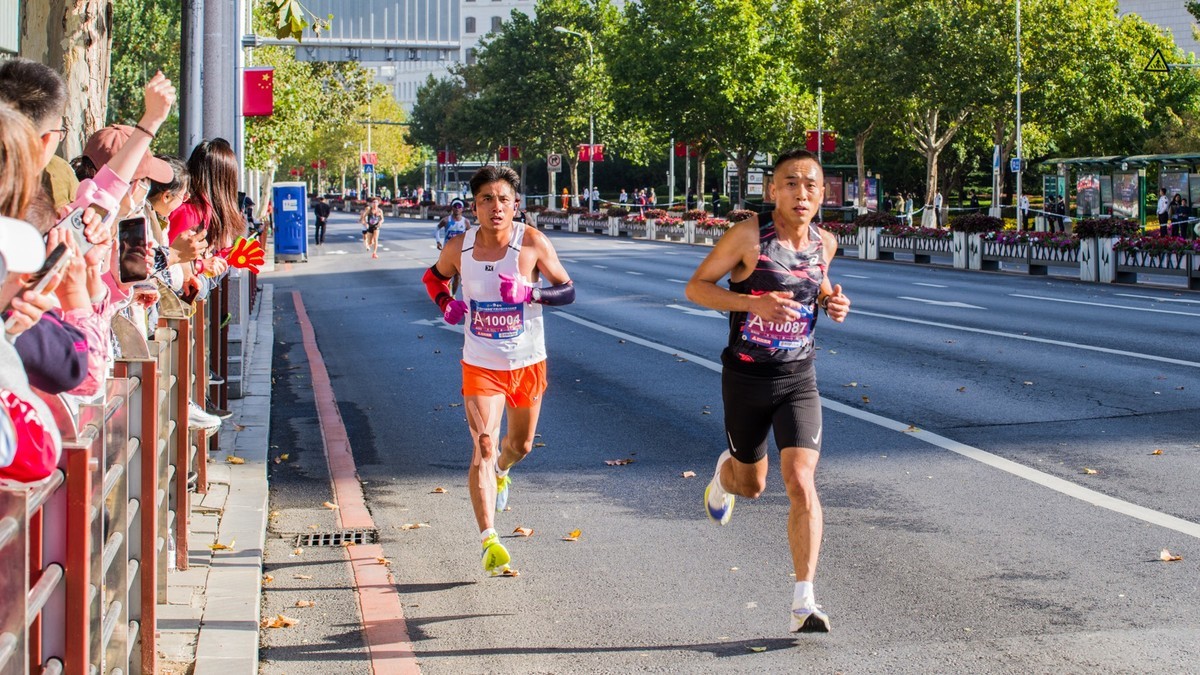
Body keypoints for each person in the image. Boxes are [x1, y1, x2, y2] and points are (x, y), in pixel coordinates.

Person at [685, 148, 850, 634]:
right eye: (792, 183)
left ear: (823, 194)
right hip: (746, 378)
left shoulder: (826, 243)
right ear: (771, 190)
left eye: (812, 185)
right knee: (752, 485)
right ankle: (724, 473)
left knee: (801, 480)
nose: (802, 193)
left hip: (799, 378)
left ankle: (804, 601)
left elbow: (814, 285)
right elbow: (696, 287)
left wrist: (832, 300)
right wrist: (749, 301)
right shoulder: (749, 236)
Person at [421, 165, 575, 574]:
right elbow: (434, 279)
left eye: (503, 199)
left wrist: (532, 292)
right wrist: (446, 304)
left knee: (518, 446)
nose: (495, 206)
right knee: (484, 444)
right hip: (481, 363)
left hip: (526, 362)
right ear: (475, 206)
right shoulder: (459, 247)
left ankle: (504, 472)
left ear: (515, 204)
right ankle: (489, 539)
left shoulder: (533, 244)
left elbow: (568, 289)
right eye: (486, 199)